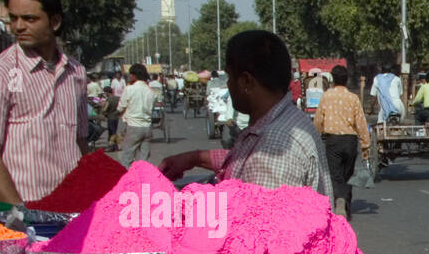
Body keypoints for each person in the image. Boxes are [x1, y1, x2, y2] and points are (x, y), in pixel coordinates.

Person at [159, 30, 330, 196]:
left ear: (246, 81)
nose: (229, 84)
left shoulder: (273, 146)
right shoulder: (280, 123)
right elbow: (241, 160)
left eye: (229, 77)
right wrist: (194, 158)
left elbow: (260, 221)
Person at [0, 0, 88, 205]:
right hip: (28, 208)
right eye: (13, 18)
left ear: (54, 22)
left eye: (29, 19)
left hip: (74, 206)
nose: (18, 27)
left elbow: (80, 142)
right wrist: (20, 213)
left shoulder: (76, 72)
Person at [313, 64, 371, 218]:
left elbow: (319, 120)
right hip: (350, 141)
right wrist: (366, 144)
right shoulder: (353, 98)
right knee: (348, 174)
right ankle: (345, 203)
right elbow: (361, 122)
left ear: (332, 79)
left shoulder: (326, 96)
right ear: (346, 80)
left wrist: (315, 136)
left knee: (335, 174)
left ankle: (339, 200)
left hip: (333, 141)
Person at [118, 64, 155, 163]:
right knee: (145, 160)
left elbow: (121, 107)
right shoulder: (151, 91)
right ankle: (144, 177)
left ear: (133, 76)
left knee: (127, 158)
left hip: (134, 126)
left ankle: (130, 178)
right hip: (147, 127)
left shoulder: (129, 89)